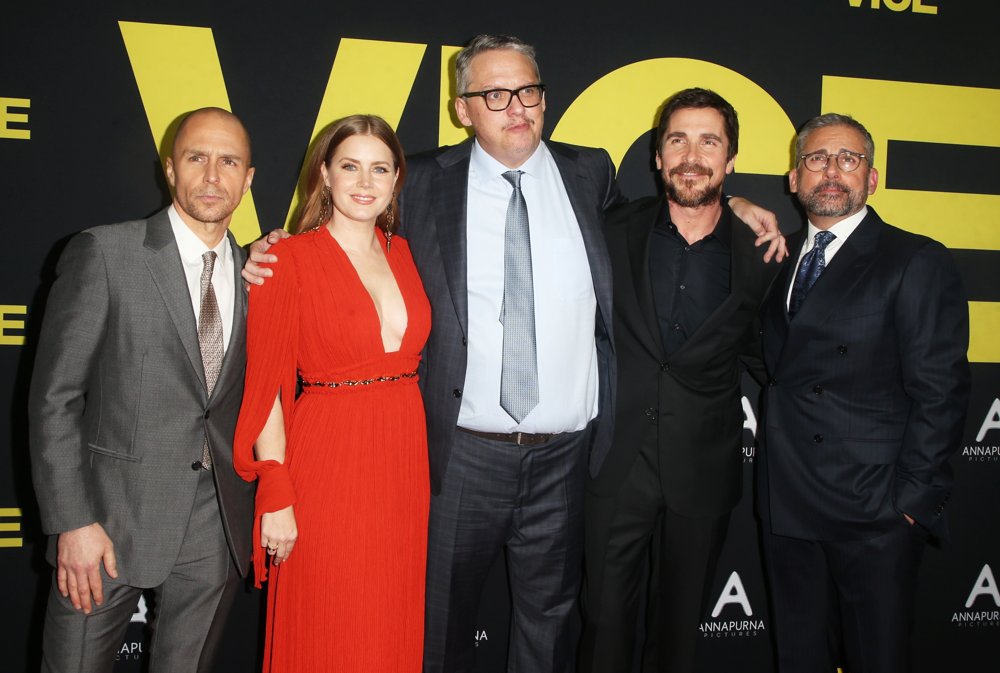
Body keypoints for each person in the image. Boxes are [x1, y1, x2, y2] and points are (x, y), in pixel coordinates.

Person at [244, 35, 783, 673]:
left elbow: (672, 215)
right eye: (495, 95)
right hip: (458, 457)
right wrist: (272, 246)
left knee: (548, 633)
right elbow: (342, 242)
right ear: (463, 109)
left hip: (566, 456)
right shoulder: (418, 184)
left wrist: (740, 203)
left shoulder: (590, 173)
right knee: (435, 630)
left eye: (528, 91)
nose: (516, 107)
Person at [28, 107, 256, 673]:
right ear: (169, 169)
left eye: (228, 162)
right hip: (107, 522)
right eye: (196, 158)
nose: (211, 176)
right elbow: (55, 399)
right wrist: (71, 522)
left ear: (248, 178)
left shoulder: (259, 271)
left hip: (215, 527)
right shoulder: (106, 253)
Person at [757, 113, 971, 673]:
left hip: (874, 513)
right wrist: (734, 204)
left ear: (872, 179)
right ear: (793, 178)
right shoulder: (780, 264)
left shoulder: (914, 259)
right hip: (789, 504)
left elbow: (941, 392)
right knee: (798, 657)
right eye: (817, 159)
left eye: (848, 159)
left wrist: (909, 506)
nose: (832, 171)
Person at [579, 88, 783, 673]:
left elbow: (769, 355)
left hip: (705, 469)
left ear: (731, 159)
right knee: (604, 627)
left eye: (708, 141)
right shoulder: (611, 229)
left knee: (677, 640)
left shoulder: (763, 254)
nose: (692, 155)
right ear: (657, 156)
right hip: (616, 465)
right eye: (678, 140)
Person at [232, 114, 431, 672]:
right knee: (329, 616)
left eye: (379, 167)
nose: (364, 181)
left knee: (388, 616)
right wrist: (276, 486)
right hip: (328, 458)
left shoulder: (404, 254)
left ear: (396, 179)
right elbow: (269, 382)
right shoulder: (285, 259)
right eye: (350, 166)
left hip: (403, 462)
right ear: (324, 173)